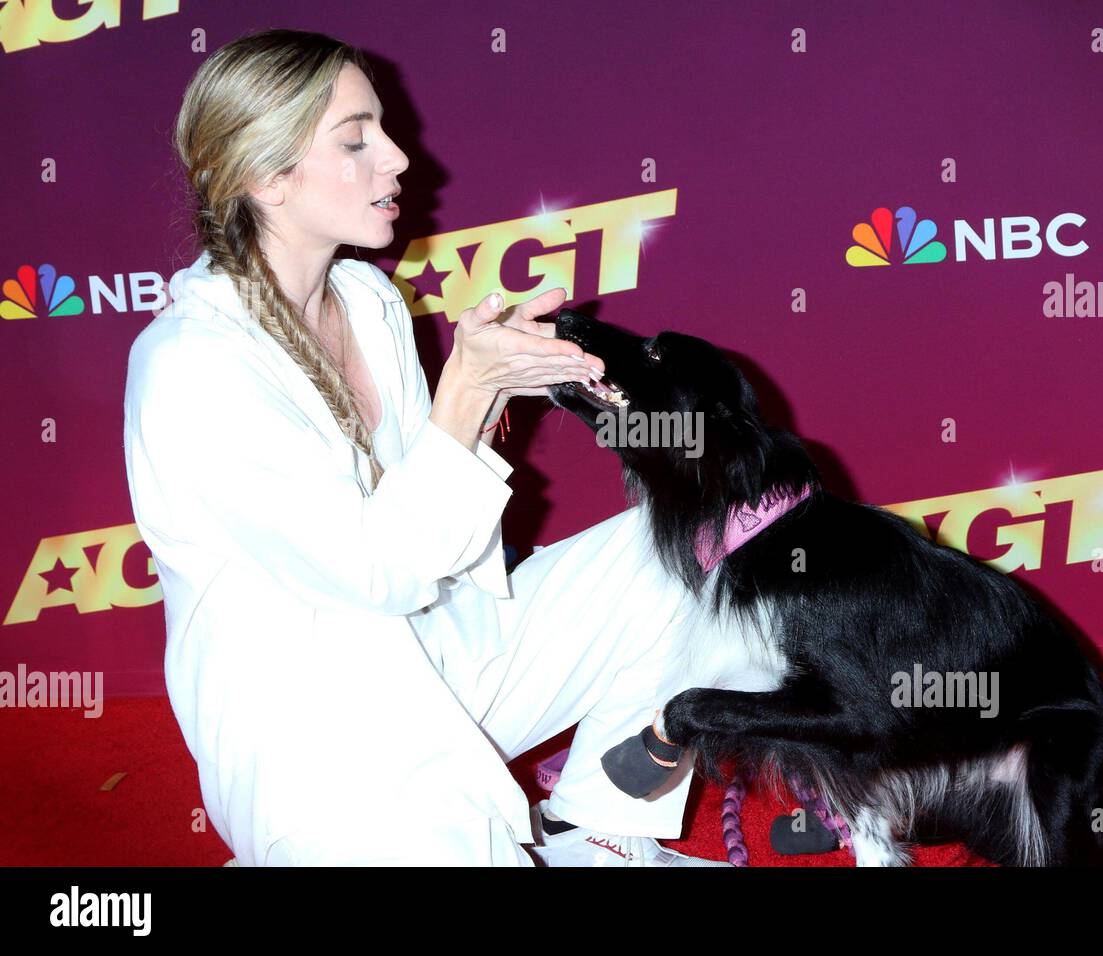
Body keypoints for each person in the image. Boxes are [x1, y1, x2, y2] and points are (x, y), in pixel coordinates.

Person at [122, 28, 728, 866]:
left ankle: (599, 828)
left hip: (439, 649)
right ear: (266, 176)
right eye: (356, 138)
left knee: (704, 540)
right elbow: (379, 571)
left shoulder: (367, 299)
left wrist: (489, 399)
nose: (399, 157)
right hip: (319, 746)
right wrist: (466, 394)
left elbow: (441, 548)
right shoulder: (192, 366)